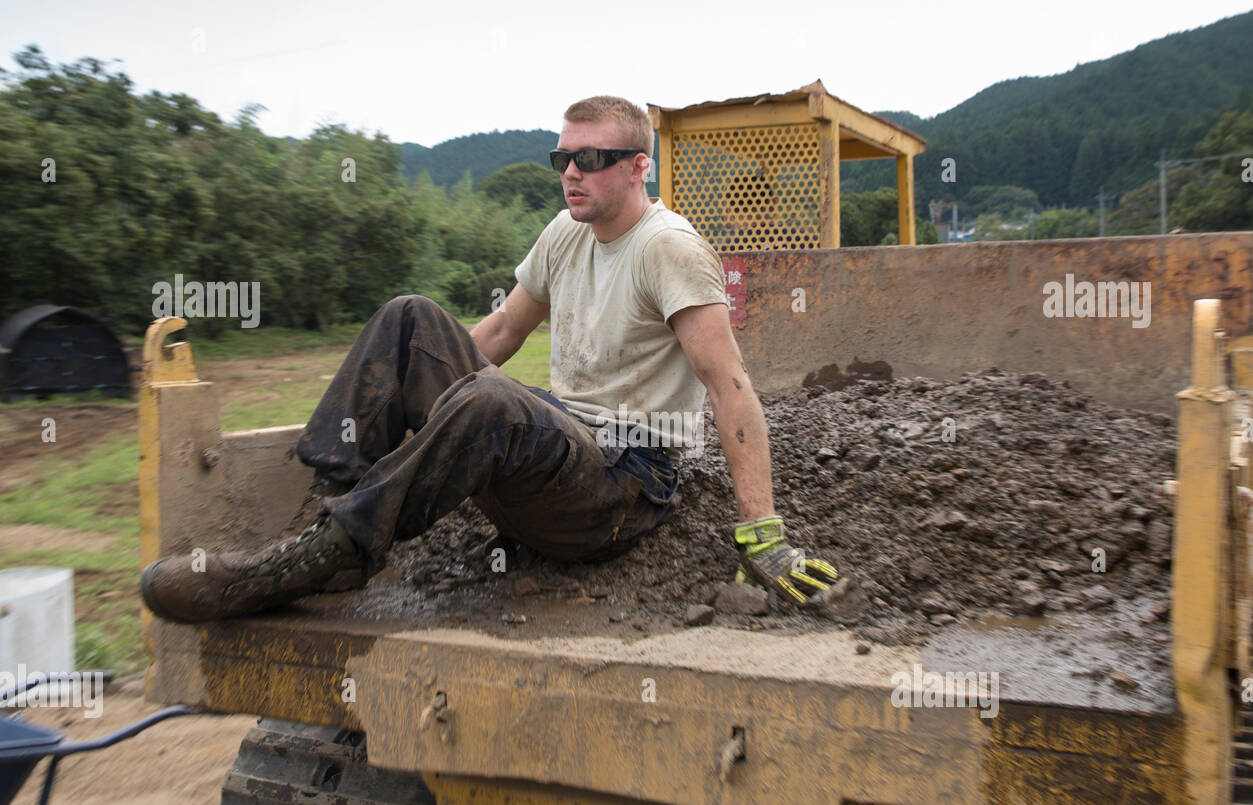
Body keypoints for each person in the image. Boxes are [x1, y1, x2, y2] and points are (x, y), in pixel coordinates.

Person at [139, 96, 839, 623]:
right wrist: (427, 403)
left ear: (637, 166)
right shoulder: (566, 233)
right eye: (561, 157)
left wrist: (763, 532)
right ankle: (318, 525)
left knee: (494, 403)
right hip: (565, 444)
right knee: (410, 317)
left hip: (625, 485)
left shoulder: (670, 249)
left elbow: (730, 386)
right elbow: (502, 330)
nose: (571, 172)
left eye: (590, 159)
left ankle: (339, 553)